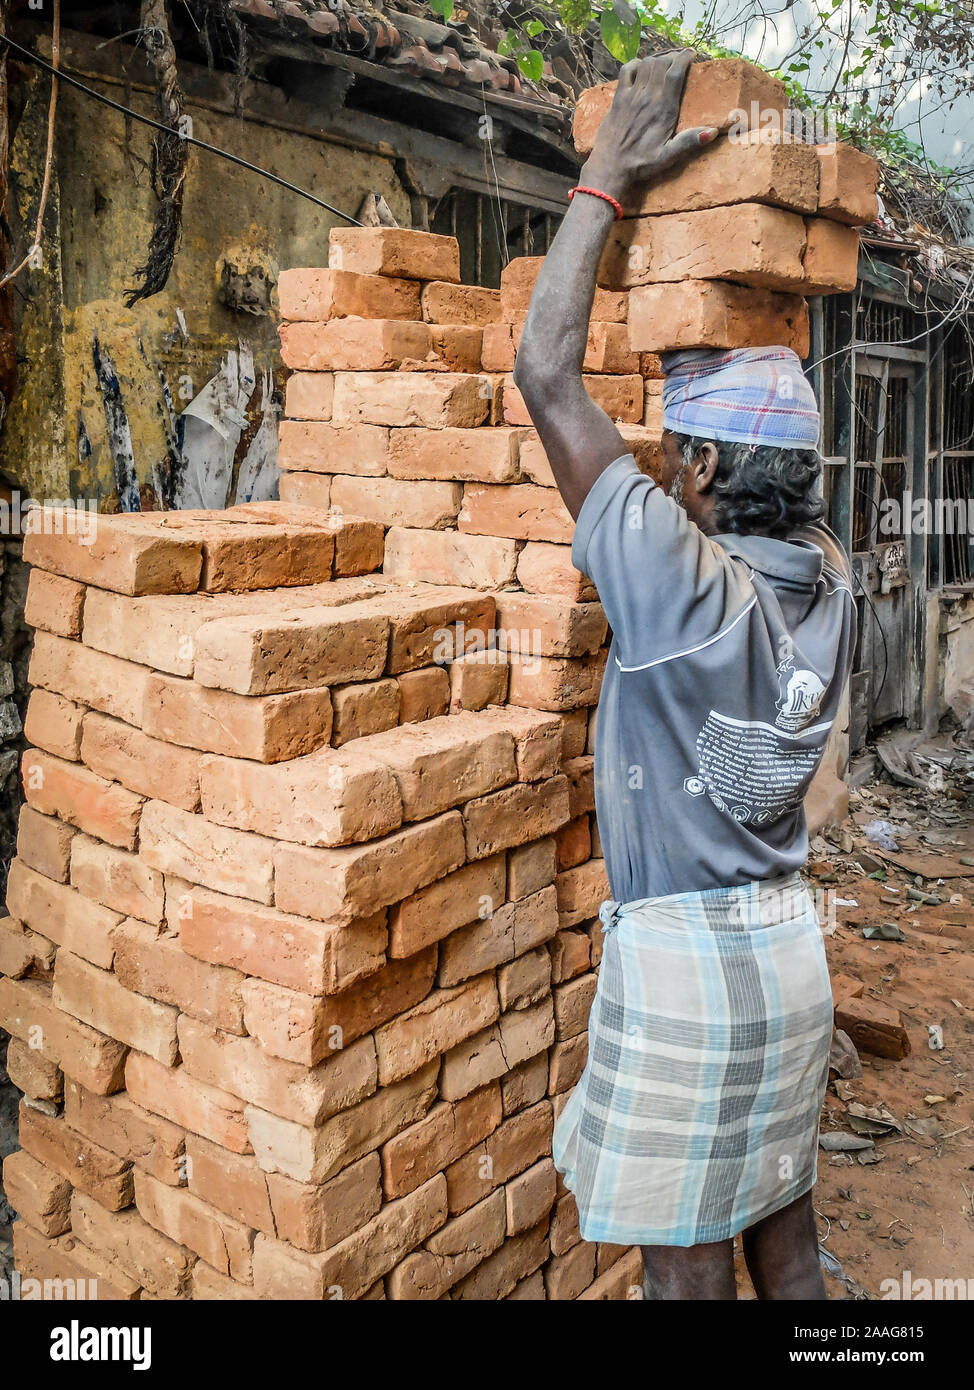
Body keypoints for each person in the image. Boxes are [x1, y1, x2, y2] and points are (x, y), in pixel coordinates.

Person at [514, 50, 857, 1301]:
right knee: (788, 1247)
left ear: (702, 474)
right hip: (789, 958)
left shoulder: (676, 580)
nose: (654, 473)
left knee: (684, 1274)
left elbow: (543, 370)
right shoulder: (829, 577)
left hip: (685, 974)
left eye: (673, 454)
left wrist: (604, 180)